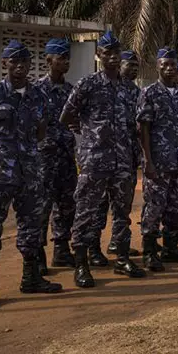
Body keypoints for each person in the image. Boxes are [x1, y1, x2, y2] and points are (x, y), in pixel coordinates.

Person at [0, 40, 62, 309]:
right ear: (5, 64)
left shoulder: (39, 97)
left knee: (31, 227)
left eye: (24, 62)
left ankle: (30, 278)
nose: (20, 66)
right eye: (14, 62)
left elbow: (41, 131)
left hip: (30, 174)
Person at [62, 31, 145, 288]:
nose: (111, 57)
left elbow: (136, 125)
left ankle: (121, 258)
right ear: (98, 55)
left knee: (122, 212)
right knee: (86, 212)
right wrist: (88, 136)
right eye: (106, 53)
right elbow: (67, 117)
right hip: (95, 161)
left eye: (115, 53)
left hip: (123, 161)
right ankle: (81, 264)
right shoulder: (87, 84)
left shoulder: (130, 90)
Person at [137, 48, 178, 270]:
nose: (170, 68)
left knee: (176, 207)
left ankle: (171, 247)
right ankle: (150, 251)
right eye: (165, 65)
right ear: (158, 67)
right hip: (159, 162)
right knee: (154, 206)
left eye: (173, 64)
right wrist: (148, 161)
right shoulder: (149, 93)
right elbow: (143, 129)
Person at [36, 38, 77, 273]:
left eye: (67, 58)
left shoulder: (72, 91)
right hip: (44, 158)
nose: (65, 63)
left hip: (66, 156)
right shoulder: (36, 91)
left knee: (66, 205)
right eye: (60, 59)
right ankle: (37, 255)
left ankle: (61, 249)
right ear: (48, 60)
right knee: (41, 206)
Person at [100, 50, 142, 258]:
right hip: (102, 158)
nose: (133, 69)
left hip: (127, 157)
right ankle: (92, 249)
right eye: (130, 65)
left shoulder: (135, 92)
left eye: (136, 66)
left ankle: (118, 243)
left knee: (123, 204)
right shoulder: (103, 87)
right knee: (99, 205)